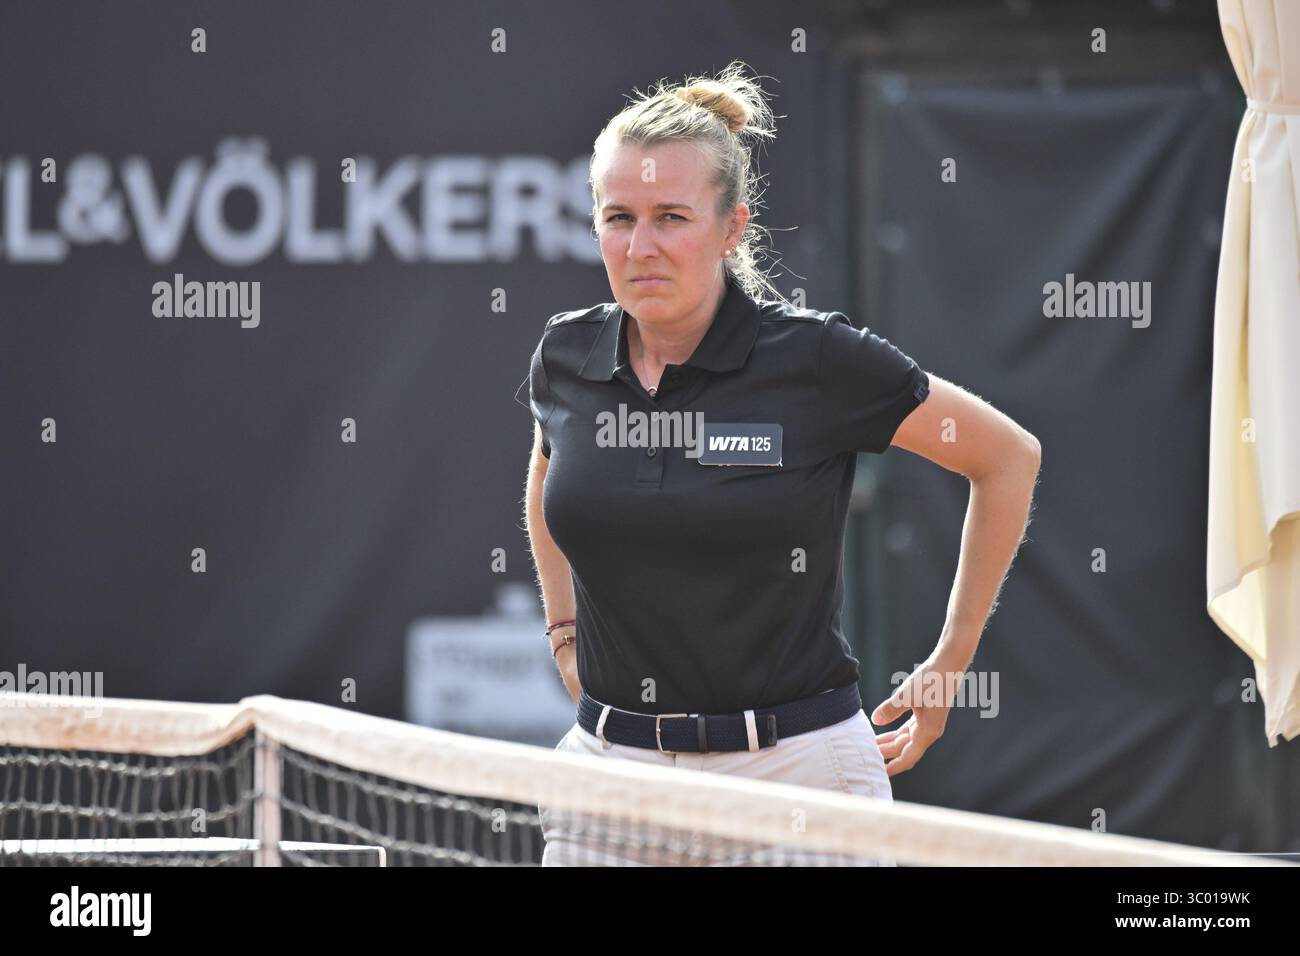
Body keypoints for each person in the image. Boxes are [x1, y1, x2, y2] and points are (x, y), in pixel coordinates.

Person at [523, 61, 1041, 866]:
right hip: (608, 787)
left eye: (671, 216)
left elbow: (1006, 457)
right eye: (618, 217)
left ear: (733, 227)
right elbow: (550, 481)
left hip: (800, 782)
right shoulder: (564, 354)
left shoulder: (817, 359)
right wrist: (564, 633)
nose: (642, 245)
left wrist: (951, 661)